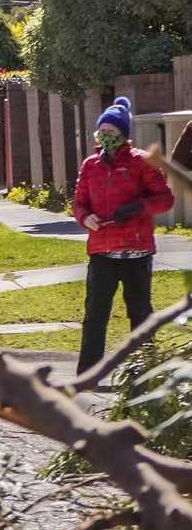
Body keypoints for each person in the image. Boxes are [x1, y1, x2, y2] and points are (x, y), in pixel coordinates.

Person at [73, 96, 174, 375]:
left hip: (137, 252)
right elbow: (78, 202)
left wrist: (137, 208)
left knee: (140, 314)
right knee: (95, 315)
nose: (105, 137)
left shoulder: (142, 162)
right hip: (102, 252)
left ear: (124, 135)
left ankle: (146, 372)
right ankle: (88, 374)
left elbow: (165, 200)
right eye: (101, 132)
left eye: (111, 132)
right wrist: (85, 218)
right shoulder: (90, 165)